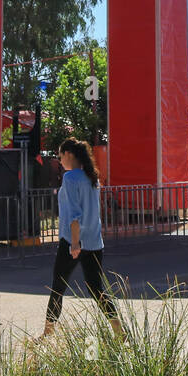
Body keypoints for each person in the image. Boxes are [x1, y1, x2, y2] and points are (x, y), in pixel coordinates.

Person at [42, 138, 122, 339]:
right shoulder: (91, 177)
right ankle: (118, 330)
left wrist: (75, 242)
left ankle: (48, 332)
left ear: (69, 154)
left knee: (58, 286)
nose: (60, 161)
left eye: (60, 156)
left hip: (72, 241)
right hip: (94, 240)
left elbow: (73, 214)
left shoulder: (70, 178)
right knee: (96, 288)